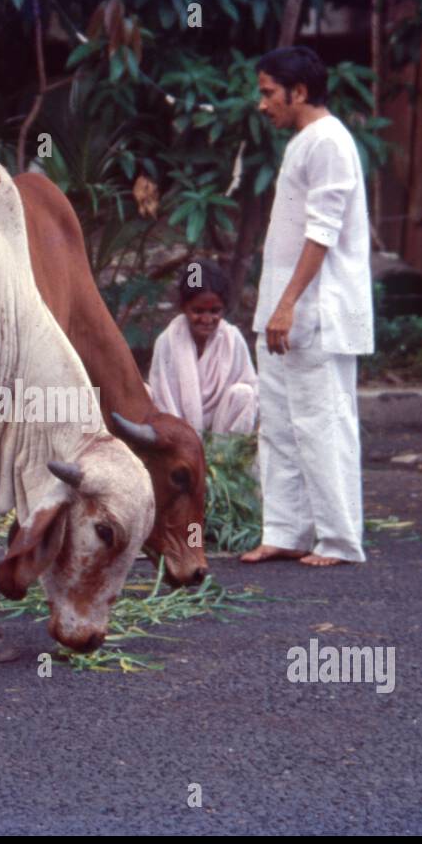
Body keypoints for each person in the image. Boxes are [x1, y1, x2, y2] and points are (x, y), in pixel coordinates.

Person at [240, 46, 374, 568]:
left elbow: (323, 231)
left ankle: (339, 539)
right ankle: (285, 531)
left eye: (269, 92)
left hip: (317, 310)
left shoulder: (330, 142)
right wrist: (276, 305)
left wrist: (288, 303)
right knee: (277, 422)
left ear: (298, 92)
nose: (262, 103)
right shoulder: (304, 142)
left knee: (323, 421)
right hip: (285, 308)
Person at [148, 259, 258, 434]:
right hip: (179, 433)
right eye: (198, 311)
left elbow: (250, 394)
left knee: (244, 392)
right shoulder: (168, 340)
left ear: (224, 308)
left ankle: (224, 454)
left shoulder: (232, 338)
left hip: (221, 430)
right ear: (184, 307)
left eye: (215, 311)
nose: (207, 320)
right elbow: (164, 397)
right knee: (145, 392)